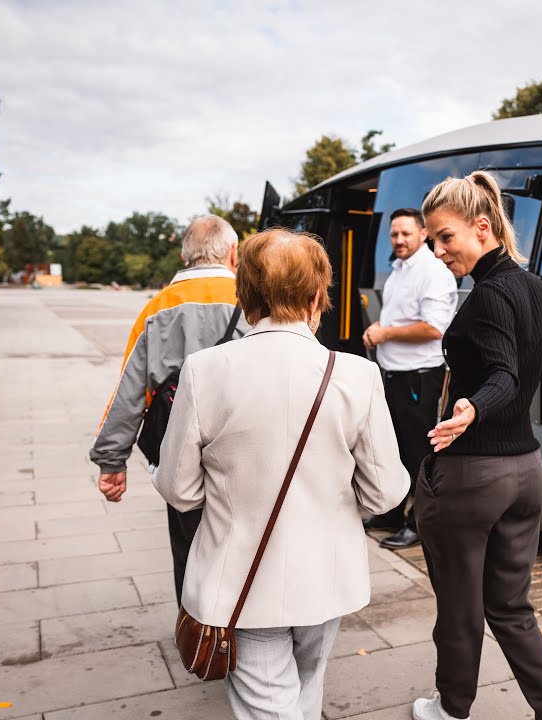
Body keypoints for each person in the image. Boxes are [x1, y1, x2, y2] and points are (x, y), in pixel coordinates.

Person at [152, 227, 410, 720]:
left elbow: (179, 489)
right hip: (329, 575)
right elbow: (385, 493)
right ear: (318, 295)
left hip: (241, 574)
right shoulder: (355, 373)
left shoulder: (204, 370)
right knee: (307, 686)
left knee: (268, 705)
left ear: (244, 294)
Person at [411, 171, 542, 720]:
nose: (437, 251)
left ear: (482, 228)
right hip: (527, 471)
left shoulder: (487, 297)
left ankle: (451, 709)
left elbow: (502, 374)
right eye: (432, 240)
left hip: (474, 476)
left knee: (460, 607)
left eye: (445, 237)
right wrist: (508, 386)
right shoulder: (537, 289)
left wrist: (471, 408)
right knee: (511, 606)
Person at [91, 214, 251, 605]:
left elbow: (129, 391)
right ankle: (242, 623)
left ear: (184, 255)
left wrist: (111, 460)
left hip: (178, 450)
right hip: (245, 446)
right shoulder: (254, 299)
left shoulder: (158, 307)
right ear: (233, 253)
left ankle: (196, 628)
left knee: (188, 539)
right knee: (245, 539)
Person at [361, 208, 457, 549]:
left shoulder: (432, 271)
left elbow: (434, 329)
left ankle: (418, 525)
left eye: (405, 233)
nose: (398, 240)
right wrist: (380, 331)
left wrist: (385, 334)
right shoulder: (400, 268)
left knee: (418, 453)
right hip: (394, 374)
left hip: (419, 377)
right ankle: (391, 514)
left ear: (422, 235)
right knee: (394, 448)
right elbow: (399, 318)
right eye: (394, 234)